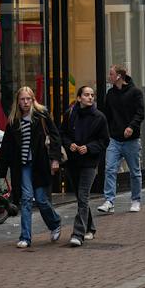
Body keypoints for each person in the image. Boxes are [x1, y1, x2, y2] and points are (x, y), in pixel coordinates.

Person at [0, 86, 63, 248]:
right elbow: (7, 146)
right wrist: (1, 171)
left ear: (33, 100)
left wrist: (55, 159)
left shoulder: (41, 115)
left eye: (28, 99)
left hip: (40, 163)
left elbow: (55, 136)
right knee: (26, 199)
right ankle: (25, 237)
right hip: (23, 165)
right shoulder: (13, 121)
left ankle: (55, 223)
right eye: (22, 99)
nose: (26, 102)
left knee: (41, 199)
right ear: (18, 101)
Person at [61, 83, 109, 248]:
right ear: (79, 98)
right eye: (86, 95)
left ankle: (77, 234)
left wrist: (88, 148)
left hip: (89, 162)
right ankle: (91, 227)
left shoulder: (99, 117)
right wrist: (70, 145)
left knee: (83, 196)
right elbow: (63, 134)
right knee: (81, 197)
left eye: (92, 95)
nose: (90, 97)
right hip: (73, 162)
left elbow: (104, 141)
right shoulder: (70, 114)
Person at [98, 64, 144, 215]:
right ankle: (109, 201)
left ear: (118, 76)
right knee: (110, 169)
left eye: (110, 74)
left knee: (135, 172)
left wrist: (131, 127)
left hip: (131, 140)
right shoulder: (110, 94)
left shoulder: (135, 92)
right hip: (114, 139)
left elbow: (140, 113)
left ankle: (136, 200)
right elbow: (106, 115)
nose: (108, 77)